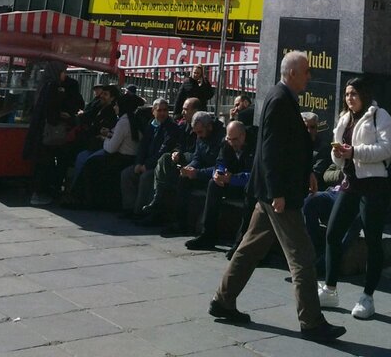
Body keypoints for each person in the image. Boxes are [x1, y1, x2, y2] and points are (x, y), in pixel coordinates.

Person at [208, 50, 345, 342]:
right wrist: (277, 193)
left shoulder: (282, 98)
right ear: (292, 73)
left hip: (271, 192)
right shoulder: (280, 100)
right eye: (306, 71)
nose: (310, 75)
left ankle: (223, 300)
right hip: (279, 196)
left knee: (251, 248)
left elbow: (287, 148)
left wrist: (305, 172)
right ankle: (312, 322)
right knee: (303, 257)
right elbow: (269, 151)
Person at [315, 77, 391, 320]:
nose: (349, 98)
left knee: (373, 239)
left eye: (353, 93)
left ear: (364, 94)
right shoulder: (345, 118)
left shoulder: (379, 116)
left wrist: (354, 152)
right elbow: (338, 158)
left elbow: (387, 149)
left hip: (374, 185)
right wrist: (338, 152)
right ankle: (330, 288)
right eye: (347, 94)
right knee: (332, 232)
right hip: (350, 183)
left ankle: (368, 296)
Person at [185, 120, 254, 250]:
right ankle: (207, 234)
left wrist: (233, 179)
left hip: (247, 184)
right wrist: (218, 173)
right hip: (230, 181)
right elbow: (220, 161)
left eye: (235, 140)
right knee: (213, 185)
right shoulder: (226, 143)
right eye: (229, 139)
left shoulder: (255, 146)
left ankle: (240, 242)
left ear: (243, 136)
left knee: (250, 191)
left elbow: (255, 174)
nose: (232, 143)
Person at [22, 63, 84, 206]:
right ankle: (40, 193)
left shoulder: (46, 84)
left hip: (41, 132)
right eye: (63, 72)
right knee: (45, 163)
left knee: (43, 163)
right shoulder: (53, 87)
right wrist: (61, 115)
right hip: (48, 132)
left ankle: (39, 191)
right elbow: (51, 112)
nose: (65, 75)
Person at [120, 97, 178, 217]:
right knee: (126, 174)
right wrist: (138, 163)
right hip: (145, 162)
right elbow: (143, 146)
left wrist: (147, 165)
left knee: (145, 177)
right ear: (153, 111)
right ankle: (128, 208)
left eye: (165, 110)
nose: (162, 113)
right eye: (159, 110)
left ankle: (139, 211)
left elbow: (164, 150)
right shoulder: (151, 125)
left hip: (157, 166)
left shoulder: (171, 128)